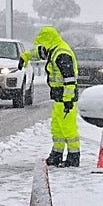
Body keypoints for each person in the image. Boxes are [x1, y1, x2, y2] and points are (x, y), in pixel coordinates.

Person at [23, 26, 80, 167]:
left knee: (68, 128)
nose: (42, 45)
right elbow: (39, 52)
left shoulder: (62, 54)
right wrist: (24, 56)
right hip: (59, 98)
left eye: (43, 41)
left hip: (66, 98)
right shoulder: (53, 49)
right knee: (57, 127)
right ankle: (57, 154)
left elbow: (70, 79)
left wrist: (68, 100)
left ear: (49, 40)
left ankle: (73, 157)